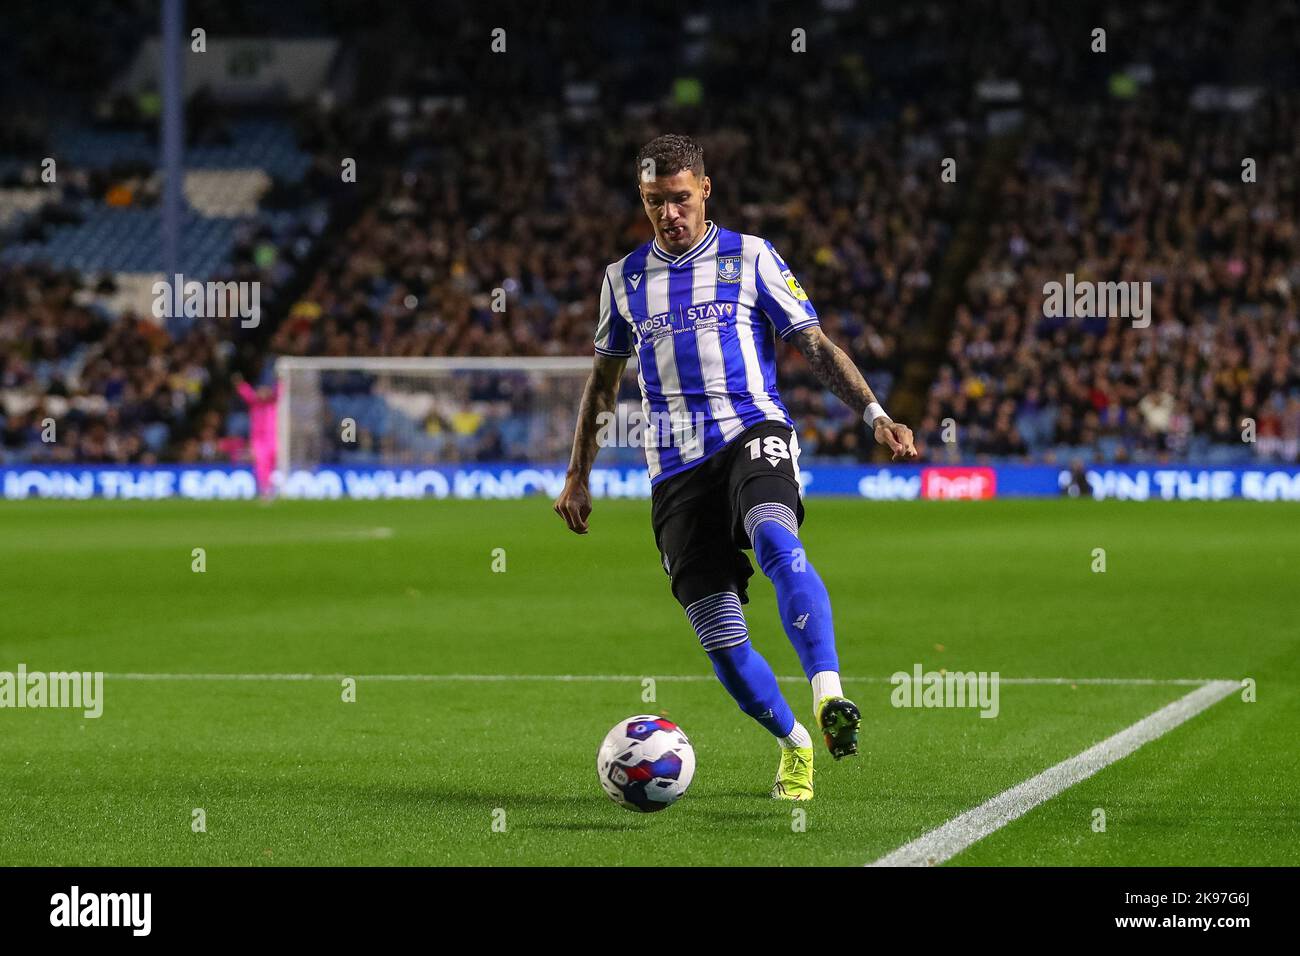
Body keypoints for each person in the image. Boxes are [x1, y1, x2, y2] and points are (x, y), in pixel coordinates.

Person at [553, 134, 917, 800]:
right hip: (674, 472)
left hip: (752, 431)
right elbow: (602, 385)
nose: (670, 213)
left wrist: (875, 415)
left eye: (681, 198)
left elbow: (813, 344)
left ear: (705, 190)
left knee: (777, 537)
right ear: (643, 198)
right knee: (721, 636)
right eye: (656, 201)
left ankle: (829, 695)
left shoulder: (750, 257)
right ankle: (796, 745)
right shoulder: (623, 280)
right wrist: (579, 474)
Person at [233, 372, 280, 499]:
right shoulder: (255, 403)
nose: (263, 393)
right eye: (260, 390)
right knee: (261, 464)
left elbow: (280, 390)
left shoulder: (273, 402)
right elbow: (246, 392)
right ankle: (265, 490)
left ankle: (273, 485)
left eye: (265, 390)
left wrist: (281, 379)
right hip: (258, 440)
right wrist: (240, 383)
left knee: (274, 461)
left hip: (274, 438)